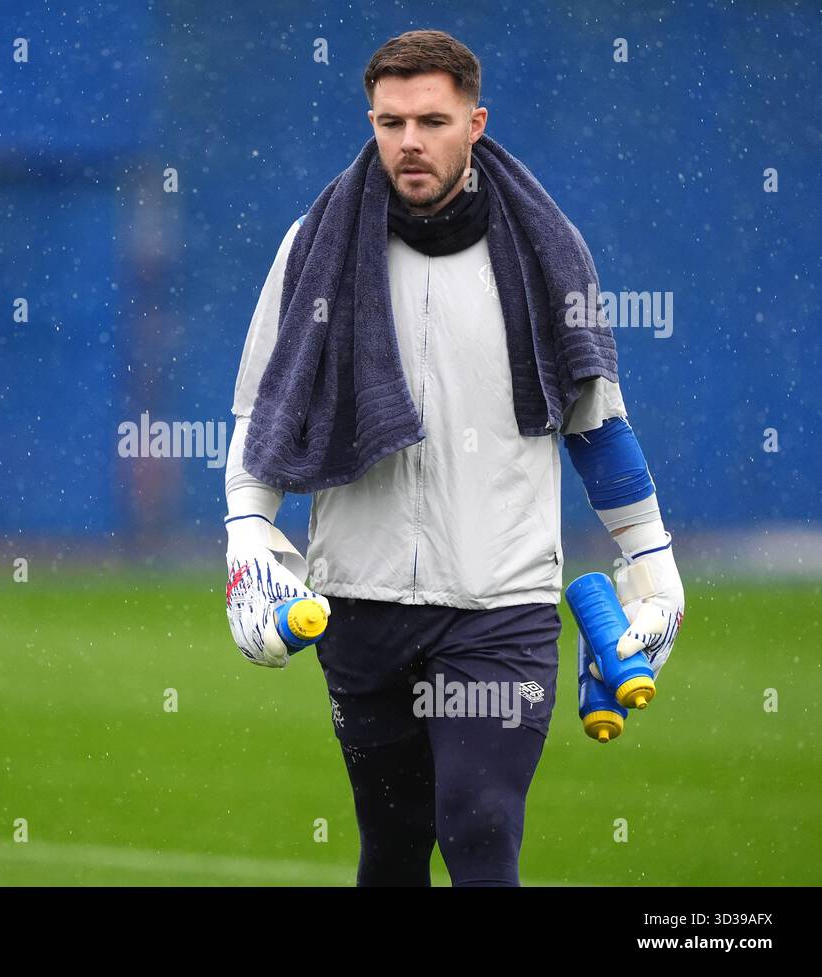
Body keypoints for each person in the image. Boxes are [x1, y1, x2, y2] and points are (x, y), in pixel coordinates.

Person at [223, 31, 684, 886]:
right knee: (392, 848)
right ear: (371, 121)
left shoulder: (548, 250)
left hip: (499, 603)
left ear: (475, 123)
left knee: (479, 827)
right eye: (390, 121)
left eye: (431, 120)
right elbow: (262, 414)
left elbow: (596, 422)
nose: (408, 142)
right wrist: (247, 534)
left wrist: (652, 559)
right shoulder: (312, 244)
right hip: (357, 601)